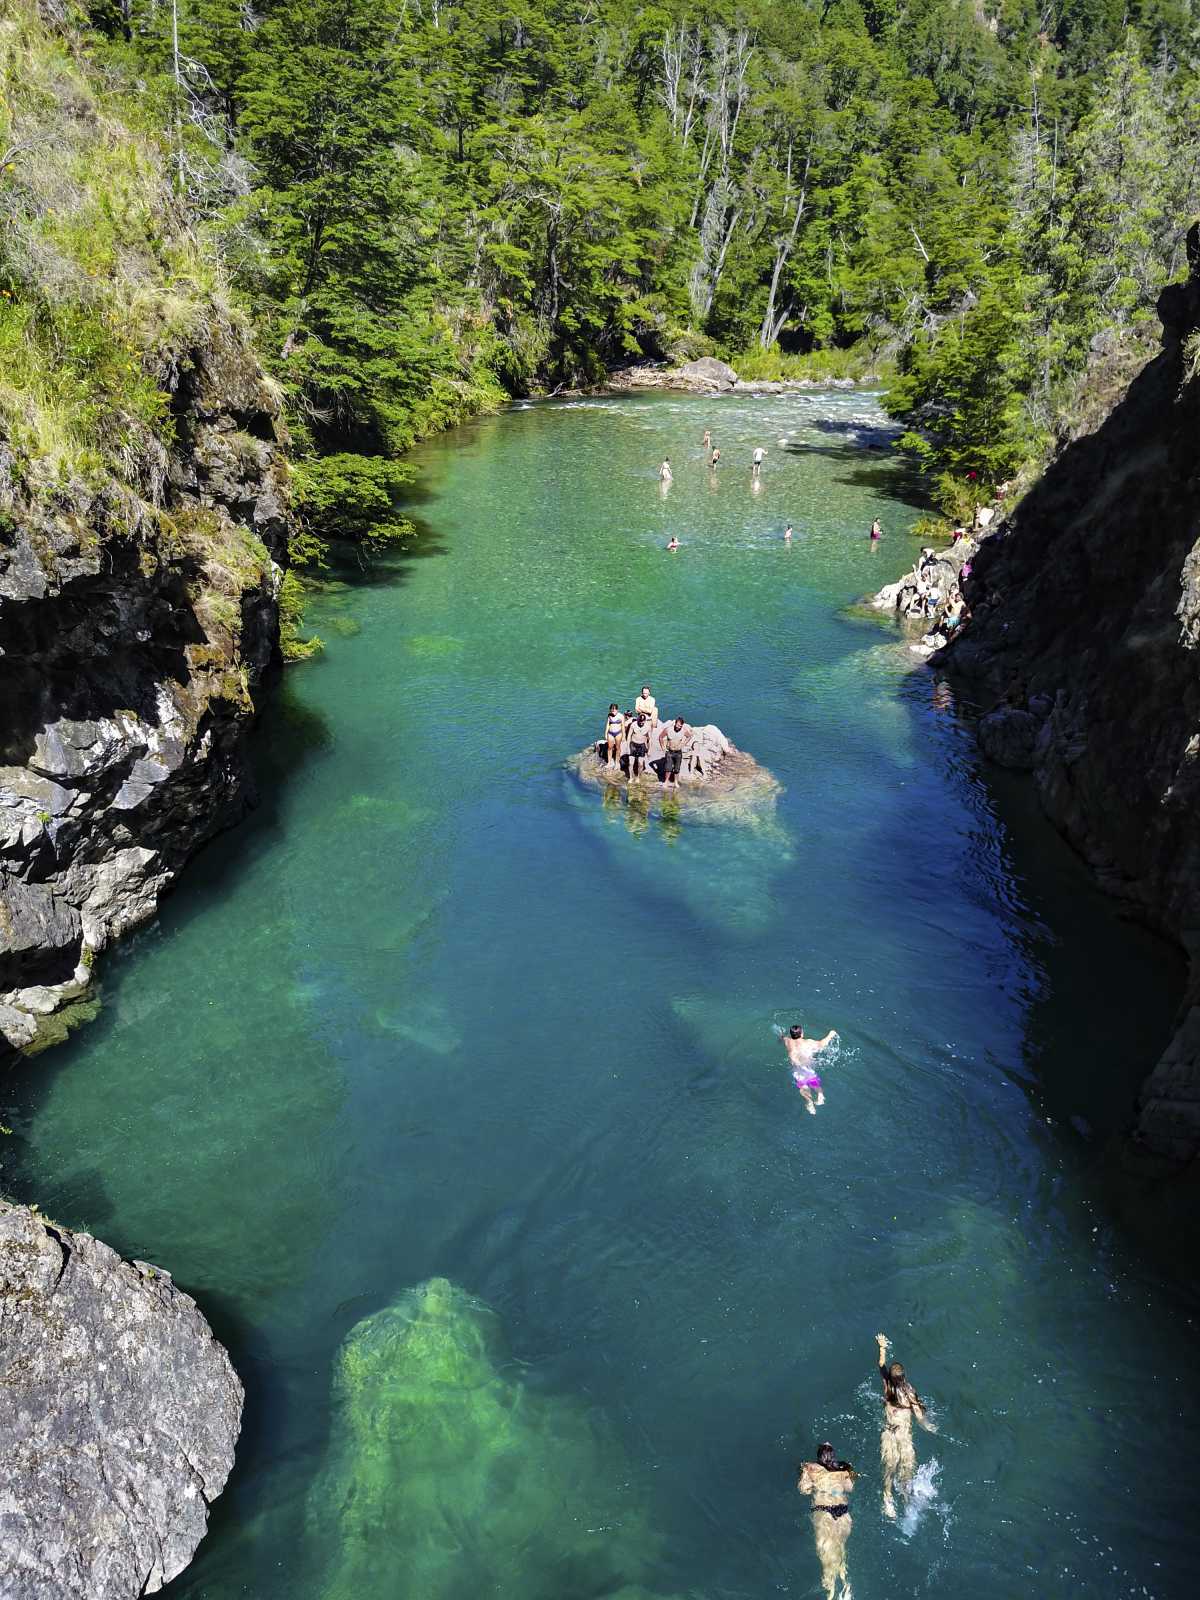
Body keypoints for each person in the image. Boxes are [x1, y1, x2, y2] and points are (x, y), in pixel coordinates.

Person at [875, 1333, 935, 1519]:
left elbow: (881, 1366)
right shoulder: (909, 1392)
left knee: (890, 1466)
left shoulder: (887, 1387)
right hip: (903, 1435)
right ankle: (906, 1501)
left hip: (889, 1432)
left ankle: (887, 1499)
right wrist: (929, 1427)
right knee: (906, 1468)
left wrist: (882, 1347)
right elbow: (919, 1416)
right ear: (904, 1377)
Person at [797, 1442, 857, 1600]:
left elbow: (804, 1490)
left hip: (824, 1512)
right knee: (841, 1549)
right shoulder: (843, 1470)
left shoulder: (810, 1468)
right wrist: (850, 1471)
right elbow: (850, 1487)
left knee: (826, 1556)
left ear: (819, 1457)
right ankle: (846, 1585)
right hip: (843, 1513)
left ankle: (830, 1594)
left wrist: (803, 1473)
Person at [781, 1022, 838, 1115]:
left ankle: (809, 1103)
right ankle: (820, 1096)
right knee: (814, 1081)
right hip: (807, 1067)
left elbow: (782, 1038)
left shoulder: (788, 1041)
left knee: (803, 1086)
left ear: (791, 1035)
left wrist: (782, 1036)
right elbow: (822, 1044)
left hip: (797, 1068)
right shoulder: (809, 1042)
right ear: (802, 1033)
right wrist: (830, 1034)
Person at [662, 716, 692, 787]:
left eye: (680, 726)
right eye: (678, 725)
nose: (679, 727)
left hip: (678, 752)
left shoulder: (684, 730)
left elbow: (689, 736)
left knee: (677, 768)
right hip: (670, 751)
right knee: (668, 768)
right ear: (675, 723)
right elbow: (660, 737)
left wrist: (684, 744)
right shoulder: (668, 729)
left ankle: (676, 782)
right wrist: (663, 747)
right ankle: (666, 781)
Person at [627, 710, 652, 781]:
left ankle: (638, 777)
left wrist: (649, 750)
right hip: (633, 745)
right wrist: (628, 747)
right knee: (631, 763)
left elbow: (650, 739)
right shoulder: (633, 725)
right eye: (640, 721)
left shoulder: (648, 727)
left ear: (645, 721)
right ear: (638, 719)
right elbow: (629, 736)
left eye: (642, 721)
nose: (641, 723)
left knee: (640, 764)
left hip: (641, 746)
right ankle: (631, 777)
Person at [603, 704, 626, 770]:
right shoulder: (609, 715)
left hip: (618, 733)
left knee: (617, 748)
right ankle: (609, 762)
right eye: (612, 711)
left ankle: (617, 763)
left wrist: (624, 736)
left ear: (617, 710)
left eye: (614, 711)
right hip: (610, 733)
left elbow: (623, 726)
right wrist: (605, 733)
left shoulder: (621, 716)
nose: (613, 712)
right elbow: (608, 724)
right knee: (610, 747)